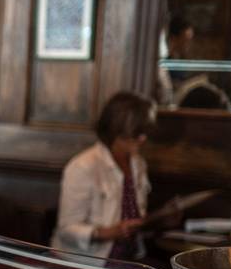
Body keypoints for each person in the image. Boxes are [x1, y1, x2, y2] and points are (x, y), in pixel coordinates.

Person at [51, 92, 156, 259]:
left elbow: (137, 213)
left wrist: (161, 220)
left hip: (132, 255)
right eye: (137, 133)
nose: (143, 138)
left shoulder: (138, 163)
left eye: (145, 132)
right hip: (91, 263)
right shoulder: (83, 166)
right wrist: (107, 233)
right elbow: (66, 230)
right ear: (117, 130)